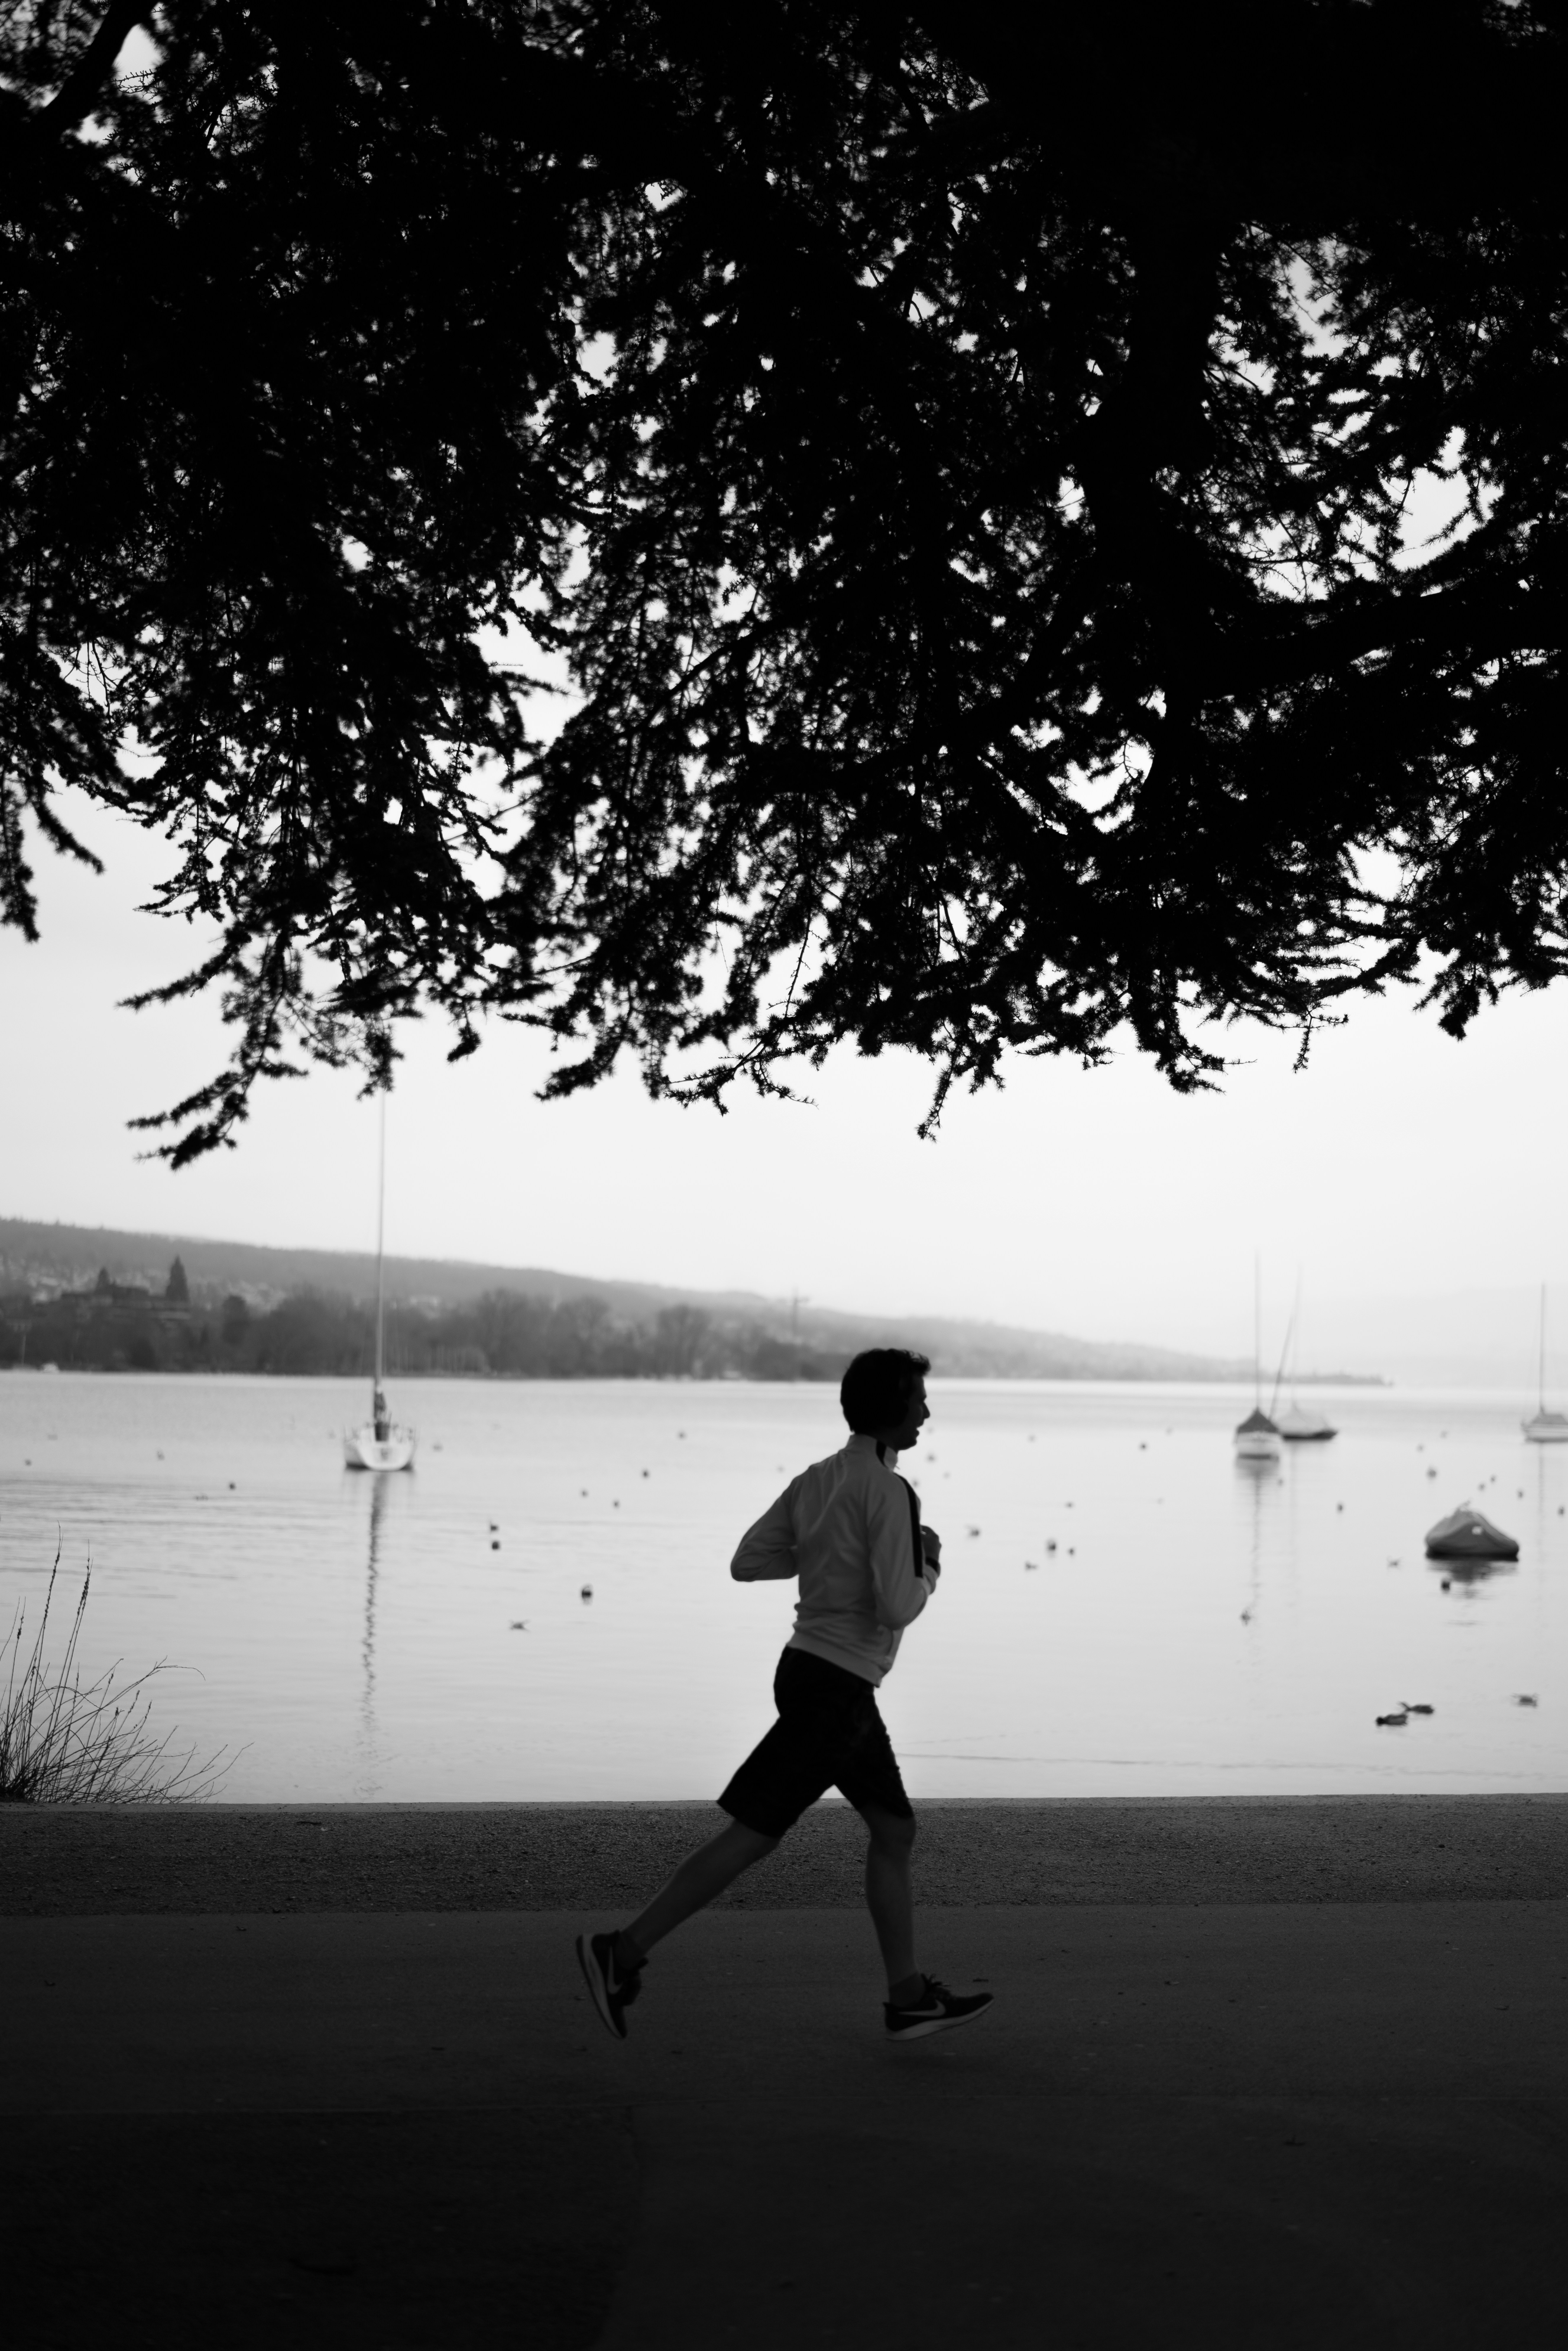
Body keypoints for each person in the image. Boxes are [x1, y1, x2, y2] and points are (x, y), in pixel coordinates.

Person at [575, 1347, 994, 2043]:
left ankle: (908, 1995)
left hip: (807, 1671)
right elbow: (898, 1607)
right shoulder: (891, 1492)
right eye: (919, 1398)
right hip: (837, 1686)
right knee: (757, 1835)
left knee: (890, 1830)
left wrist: (833, 1547)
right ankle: (619, 1952)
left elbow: (750, 1561)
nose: (927, 1410)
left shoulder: (818, 1480)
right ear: (892, 1407)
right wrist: (931, 1565)